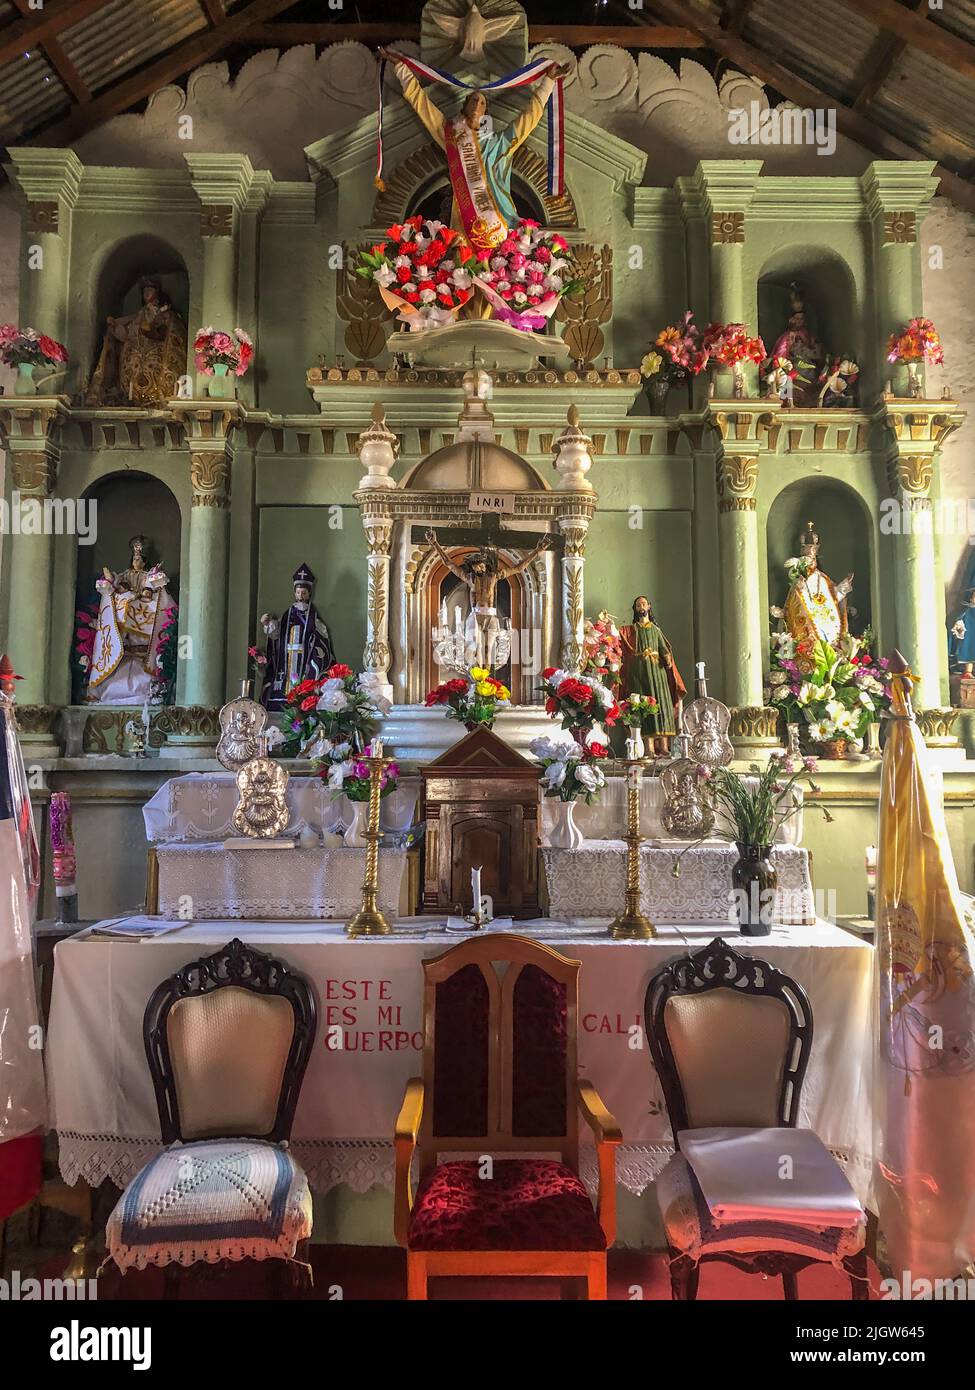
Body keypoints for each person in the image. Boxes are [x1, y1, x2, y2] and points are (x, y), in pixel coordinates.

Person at [380, 49, 567, 254]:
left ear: (486, 112)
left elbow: (528, 118)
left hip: (500, 222)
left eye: (482, 102)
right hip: (464, 224)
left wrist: (548, 82)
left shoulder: (499, 144)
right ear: (464, 106)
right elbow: (424, 106)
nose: (477, 104)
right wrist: (402, 70)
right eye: (473, 100)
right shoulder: (453, 138)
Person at [426, 529, 549, 669]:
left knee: (488, 650)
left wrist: (536, 551)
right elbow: (449, 563)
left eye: (480, 564)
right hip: (476, 616)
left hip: (491, 616)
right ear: (472, 567)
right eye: (475, 565)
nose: (478, 567)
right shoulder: (470, 578)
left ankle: (486, 683)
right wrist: (435, 544)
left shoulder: (494, 577)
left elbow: (518, 568)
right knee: (476, 648)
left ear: (484, 565)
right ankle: (478, 682)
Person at [86, 536, 175, 705]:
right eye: (134, 559)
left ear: (144, 561)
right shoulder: (124, 575)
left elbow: (153, 589)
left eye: (140, 559)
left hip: (142, 608)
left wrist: (147, 589)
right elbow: (115, 584)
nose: (137, 562)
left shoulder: (147, 576)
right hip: (127, 608)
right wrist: (113, 583)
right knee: (121, 603)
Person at [85, 279, 187, 407]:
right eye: (144, 291)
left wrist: (153, 330)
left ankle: (160, 396)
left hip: (156, 359)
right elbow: (128, 333)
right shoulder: (140, 314)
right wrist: (115, 324)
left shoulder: (166, 314)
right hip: (136, 361)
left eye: (149, 290)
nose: (146, 293)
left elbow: (168, 333)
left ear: (157, 292)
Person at [260, 563, 335, 711]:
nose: (301, 596)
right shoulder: (288, 614)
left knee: (302, 682)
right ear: (295, 593)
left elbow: (321, 634)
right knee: (285, 682)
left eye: (304, 593)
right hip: (286, 657)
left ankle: (302, 695)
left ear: (309, 594)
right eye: (298, 593)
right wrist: (268, 624)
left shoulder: (312, 615)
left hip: (303, 657)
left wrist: (318, 631)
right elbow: (276, 633)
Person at [619, 596, 686, 755]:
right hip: (639, 673)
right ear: (635, 609)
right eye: (638, 605)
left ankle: (663, 747)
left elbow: (663, 647)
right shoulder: (632, 630)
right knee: (644, 707)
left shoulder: (656, 630)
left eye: (643, 604)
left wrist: (667, 657)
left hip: (657, 671)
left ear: (649, 606)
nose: (641, 607)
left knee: (661, 705)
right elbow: (620, 637)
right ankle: (648, 749)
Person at [783, 521, 853, 653]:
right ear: (802, 551)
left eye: (813, 550)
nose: (811, 553)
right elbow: (795, 603)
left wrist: (844, 586)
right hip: (808, 624)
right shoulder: (798, 579)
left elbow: (834, 598)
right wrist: (801, 585)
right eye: (807, 549)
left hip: (826, 624)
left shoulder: (823, 579)